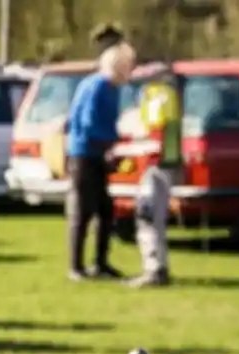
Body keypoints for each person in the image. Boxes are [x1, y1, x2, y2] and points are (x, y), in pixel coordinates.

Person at [64, 41, 135, 281]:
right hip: (84, 154)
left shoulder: (111, 88)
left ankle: (100, 263)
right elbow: (88, 123)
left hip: (97, 153)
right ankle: (76, 267)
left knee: (105, 210)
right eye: (128, 67)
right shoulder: (98, 87)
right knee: (83, 211)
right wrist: (113, 141)